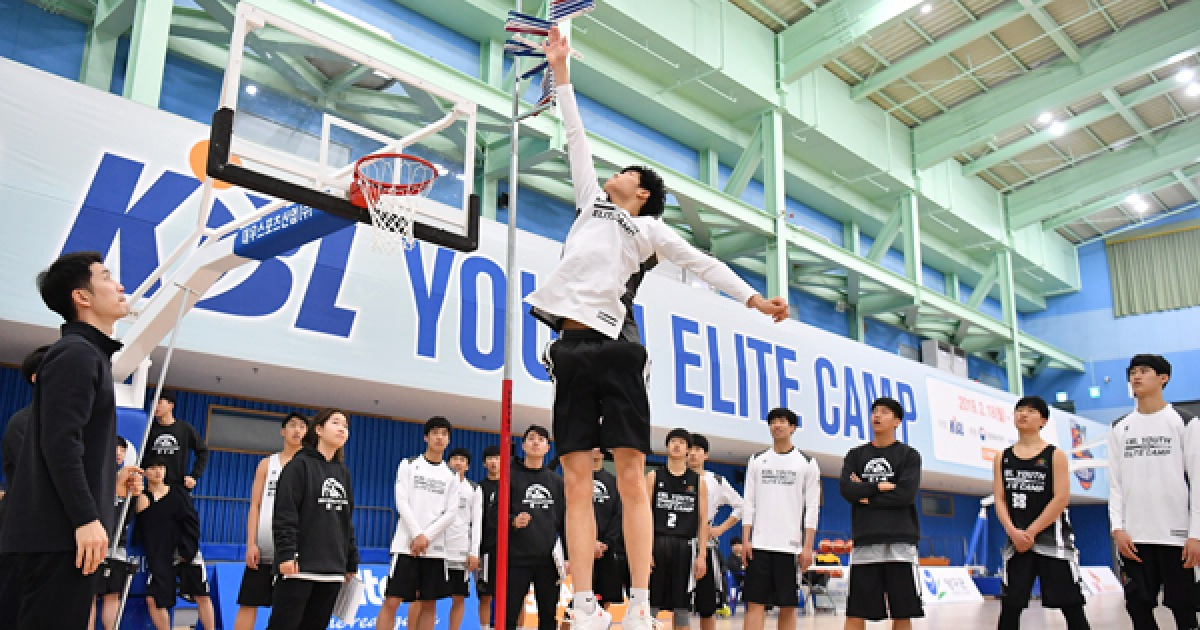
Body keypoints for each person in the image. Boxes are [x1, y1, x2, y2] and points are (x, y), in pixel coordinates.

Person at [529, 28, 790, 630]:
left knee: (628, 476)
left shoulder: (648, 232)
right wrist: (561, 67)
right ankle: (588, 604)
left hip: (617, 349)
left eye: (627, 173)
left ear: (641, 193)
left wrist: (753, 299)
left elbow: (705, 264)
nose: (613, 172)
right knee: (573, 479)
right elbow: (574, 133)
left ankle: (642, 605)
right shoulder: (590, 199)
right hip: (569, 348)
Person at [0, 251, 130, 628]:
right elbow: (61, 443)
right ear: (82, 297)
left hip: (61, 535)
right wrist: (86, 517)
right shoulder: (76, 353)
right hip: (58, 537)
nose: (120, 285)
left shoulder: (89, 355)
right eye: (107, 277)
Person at [1108, 354, 1200, 630]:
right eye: (1132, 372)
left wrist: (1195, 534)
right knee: (1137, 608)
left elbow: (1197, 481)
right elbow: (1115, 484)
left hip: (1178, 538)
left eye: (1144, 371)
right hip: (1134, 538)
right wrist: (1118, 529)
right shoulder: (1119, 427)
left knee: (1184, 609)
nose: (1136, 376)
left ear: (1163, 378)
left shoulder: (1185, 422)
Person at [994, 396, 1090, 630]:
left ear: (1043, 420)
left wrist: (1032, 531)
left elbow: (1061, 498)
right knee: (1010, 608)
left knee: (1072, 606)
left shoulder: (1054, 454)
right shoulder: (1002, 457)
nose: (1023, 414)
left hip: (1053, 543)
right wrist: (1013, 532)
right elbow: (1000, 498)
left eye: (1031, 411)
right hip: (1017, 543)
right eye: (1019, 410)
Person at [267, 408, 359, 630]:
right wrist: (287, 554)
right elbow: (285, 513)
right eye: (336, 423)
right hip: (299, 568)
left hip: (332, 571)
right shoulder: (298, 466)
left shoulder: (343, 473)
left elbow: (345, 520)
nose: (342, 429)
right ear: (318, 429)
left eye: (345, 426)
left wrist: (350, 559)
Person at [839, 397, 923, 630]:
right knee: (856, 611)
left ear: (897, 421)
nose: (877, 415)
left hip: (900, 541)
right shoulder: (855, 455)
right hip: (866, 541)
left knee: (902, 611)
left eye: (884, 412)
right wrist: (878, 487)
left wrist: (865, 495)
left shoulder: (909, 456)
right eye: (874, 411)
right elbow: (847, 489)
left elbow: (905, 495)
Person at [740, 408, 820, 630]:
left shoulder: (807, 463)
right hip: (759, 545)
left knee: (788, 606)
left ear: (792, 427)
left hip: (790, 548)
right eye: (773, 421)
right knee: (755, 603)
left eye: (782, 421)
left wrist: (807, 547)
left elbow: (812, 507)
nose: (777, 425)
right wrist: (746, 539)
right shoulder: (757, 460)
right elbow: (749, 502)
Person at [377, 416, 458, 630]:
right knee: (392, 600)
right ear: (426, 437)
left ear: (448, 440)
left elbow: (451, 513)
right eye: (435, 433)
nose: (439, 438)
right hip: (406, 546)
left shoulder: (451, 476)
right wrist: (416, 534)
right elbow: (401, 501)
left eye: (444, 434)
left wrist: (427, 537)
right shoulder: (409, 464)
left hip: (434, 549)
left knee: (429, 603)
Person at [234, 412, 309, 630]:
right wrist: (251, 543)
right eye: (292, 425)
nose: (297, 430)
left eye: (302, 427)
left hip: (296, 551)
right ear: (282, 431)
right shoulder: (267, 464)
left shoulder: (309, 466)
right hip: (264, 549)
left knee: (291, 609)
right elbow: (255, 505)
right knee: (249, 603)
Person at [133, 456, 215, 630]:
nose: (157, 471)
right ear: (144, 472)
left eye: (161, 467)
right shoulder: (142, 499)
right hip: (161, 556)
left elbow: (192, 522)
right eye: (153, 467)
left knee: (202, 596)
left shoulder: (178, 492)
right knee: (153, 599)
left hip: (187, 549)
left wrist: (189, 549)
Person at [647, 428, 709, 628]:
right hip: (657, 544)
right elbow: (644, 518)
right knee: (650, 606)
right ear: (666, 446)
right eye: (673, 441)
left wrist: (702, 556)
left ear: (688, 450)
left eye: (682, 442)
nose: (676, 445)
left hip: (684, 548)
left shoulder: (698, 481)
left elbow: (702, 521)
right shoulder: (653, 477)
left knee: (682, 608)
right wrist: (645, 551)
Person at [506, 425, 566, 630]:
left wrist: (566, 557)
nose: (535, 442)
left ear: (547, 447)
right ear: (523, 445)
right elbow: (495, 515)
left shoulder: (557, 482)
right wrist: (512, 520)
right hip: (516, 559)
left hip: (548, 561)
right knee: (509, 614)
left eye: (541, 439)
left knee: (549, 616)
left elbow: (565, 520)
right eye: (531, 438)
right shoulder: (510, 476)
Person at [688, 433, 743, 627]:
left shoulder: (717, 480)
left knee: (707, 605)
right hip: (680, 543)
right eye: (690, 449)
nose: (692, 454)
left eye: (697, 450)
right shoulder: (675, 478)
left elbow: (741, 506)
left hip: (706, 547)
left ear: (706, 455)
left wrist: (720, 528)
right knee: (679, 606)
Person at [91, 436, 144, 630]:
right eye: (116, 448)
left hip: (118, 546)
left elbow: (128, 517)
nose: (120, 453)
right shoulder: (96, 477)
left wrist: (135, 496)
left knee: (113, 594)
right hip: (95, 544)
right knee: (90, 595)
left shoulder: (130, 482)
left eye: (123, 450)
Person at [0, 345, 49, 530]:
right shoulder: (23, 423)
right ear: (36, 378)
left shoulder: (76, 423)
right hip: (22, 526)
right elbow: (39, 476)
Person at [444, 447, 483, 630]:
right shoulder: (440, 484)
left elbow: (477, 523)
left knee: (458, 598)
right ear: (448, 462)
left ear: (467, 466)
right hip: (437, 550)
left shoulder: (474, 489)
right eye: (454, 459)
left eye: (462, 460)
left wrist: (474, 552)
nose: (458, 463)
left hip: (460, 551)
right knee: (425, 598)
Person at [144, 390, 209, 490]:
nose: (155, 406)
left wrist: (194, 476)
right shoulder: (148, 429)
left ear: (171, 405)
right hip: (153, 487)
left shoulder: (185, 429)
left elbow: (203, 451)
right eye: (153, 402)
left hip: (177, 486)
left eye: (159, 402)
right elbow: (142, 455)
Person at [590, 448, 626, 610]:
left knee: (604, 599)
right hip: (580, 549)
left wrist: (605, 543)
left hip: (606, 550)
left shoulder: (614, 482)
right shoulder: (575, 478)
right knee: (578, 602)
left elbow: (619, 515)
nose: (596, 450)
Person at [477, 444, 501, 630]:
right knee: (486, 595)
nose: (494, 462)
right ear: (485, 463)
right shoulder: (479, 488)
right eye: (490, 458)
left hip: (511, 549)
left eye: (498, 458)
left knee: (516, 595)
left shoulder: (512, 486)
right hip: (486, 549)